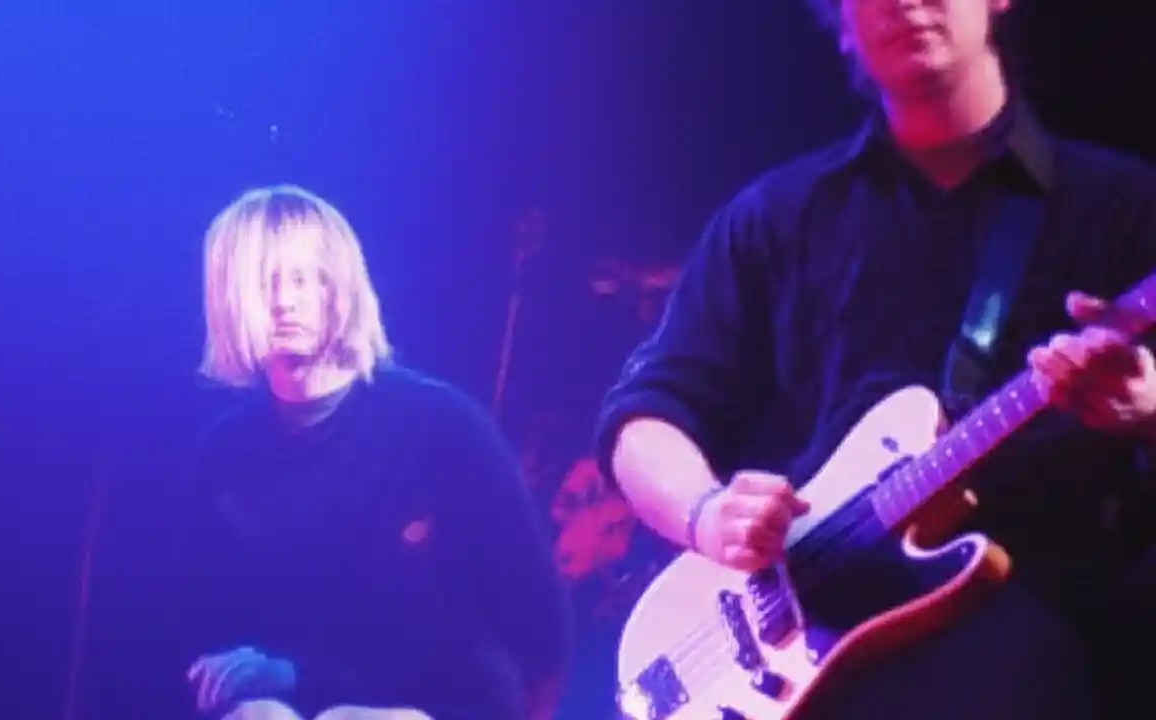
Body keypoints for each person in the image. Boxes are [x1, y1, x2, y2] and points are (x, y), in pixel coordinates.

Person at [595, 0, 1156, 717]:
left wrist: (1148, 413)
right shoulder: (776, 217)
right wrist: (708, 514)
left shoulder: (1123, 206)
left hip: (1053, 648)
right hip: (814, 666)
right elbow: (643, 418)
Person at [170, 184, 571, 720]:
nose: (284, 301)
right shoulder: (225, 456)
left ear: (339, 286)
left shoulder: (439, 427)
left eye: (302, 278)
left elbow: (538, 622)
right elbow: (201, 629)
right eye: (263, 283)